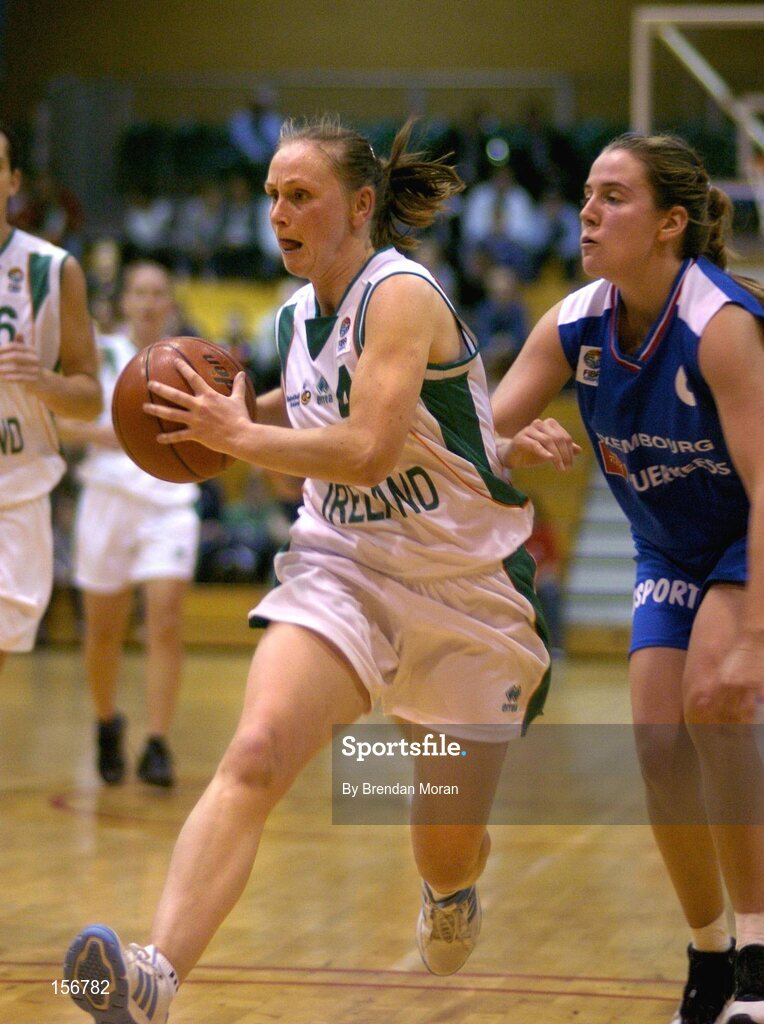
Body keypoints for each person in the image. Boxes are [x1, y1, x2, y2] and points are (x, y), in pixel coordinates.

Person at [63, 115, 561, 1023]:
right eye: (271, 197)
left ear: (361, 206)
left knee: (445, 848)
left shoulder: (399, 294)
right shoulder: (294, 315)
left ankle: (452, 887)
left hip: (466, 592)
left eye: (301, 196)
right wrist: (198, 420)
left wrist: (238, 436)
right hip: (346, 567)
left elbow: (367, 449)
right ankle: (152, 979)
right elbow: (292, 412)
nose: (279, 214)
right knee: (255, 752)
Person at [491, 132, 764, 1024]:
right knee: (655, 747)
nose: (588, 212)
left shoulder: (719, 326)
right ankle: (710, 955)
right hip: (670, 547)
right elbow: (478, 434)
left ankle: (759, 959)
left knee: (714, 705)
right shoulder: (575, 323)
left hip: (747, 536)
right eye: (586, 194)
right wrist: (510, 444)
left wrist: (755, 638)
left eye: (613, 197)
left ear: (669, 223)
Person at [58, 261, 200, 787]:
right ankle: (106, 722)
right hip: (106, 498)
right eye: (139, 292)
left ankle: (158, 742)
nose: (148, 302)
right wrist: (110, 432)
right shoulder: (100, 355)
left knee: (165, 620)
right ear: (124, 302)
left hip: (168, 502)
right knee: (102, 630)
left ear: (170, 303)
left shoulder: (190, 360)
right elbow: (62, 425)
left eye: (158, 293)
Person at [0, 122, 101, 675]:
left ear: (13, 181)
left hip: (16, 488)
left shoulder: (54, 269)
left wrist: (40, 379)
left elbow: (88, 399)